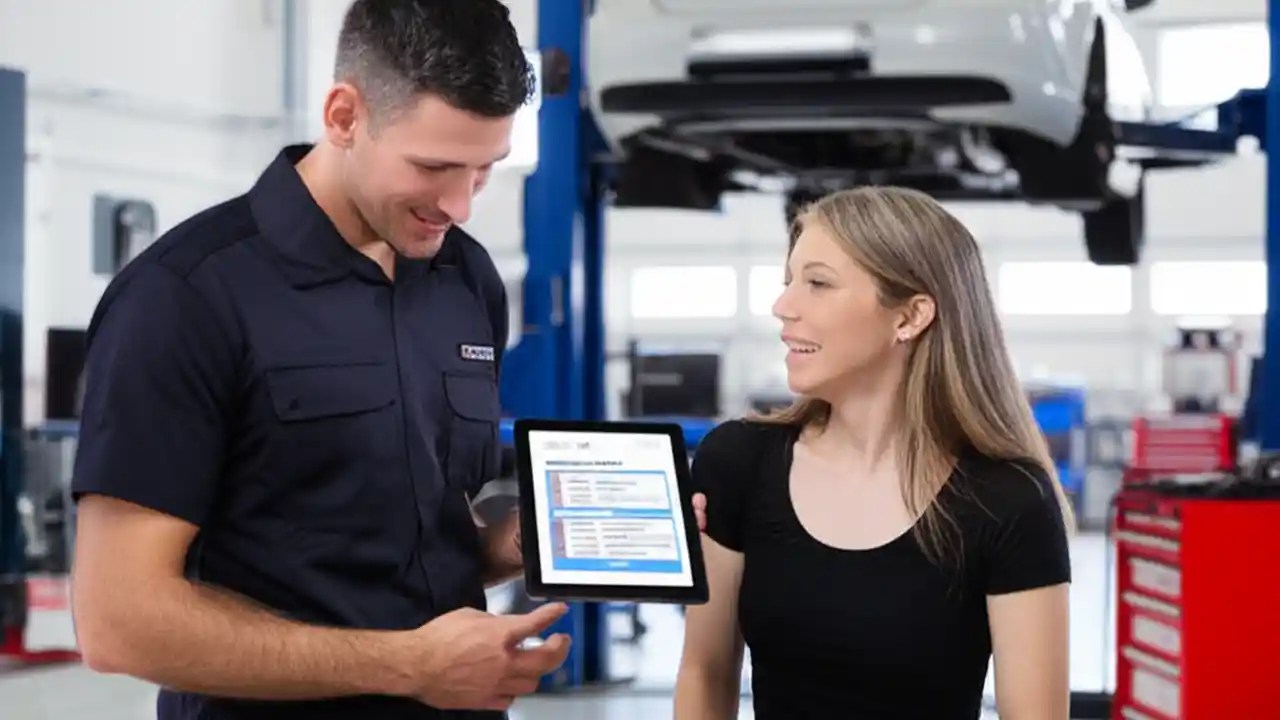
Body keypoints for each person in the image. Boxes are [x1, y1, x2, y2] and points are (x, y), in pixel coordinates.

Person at [68, 2, 570, 718]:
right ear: (343, 116)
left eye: (484, 170)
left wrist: (550, 538)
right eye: (434, 166)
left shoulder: (465, 280)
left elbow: (423, 544)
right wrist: (409, 667)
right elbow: (120, 623)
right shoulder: (185, 297)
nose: (459, 204)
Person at [675, 187, 1074, 720]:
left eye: (817, 284)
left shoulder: (1008, 500)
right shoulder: (738, 462)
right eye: (789, 281)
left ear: (909, 316)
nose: (782, 306)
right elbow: (705, 671)